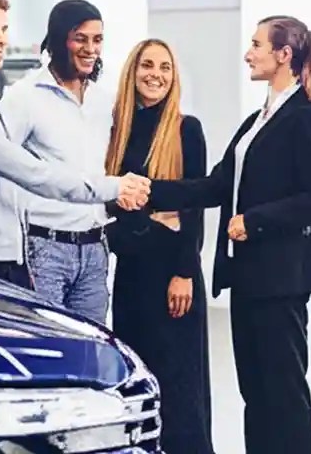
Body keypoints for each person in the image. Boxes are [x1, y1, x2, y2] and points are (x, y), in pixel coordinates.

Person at [146, 15, 311, 454]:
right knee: (256, 393)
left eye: (256, 45)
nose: (248, 53)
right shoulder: (258, 119)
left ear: (284, 55)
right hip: (249, 277)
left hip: (282, 280)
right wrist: (147, 190)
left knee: (283, 394)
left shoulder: (307, 117)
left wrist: (254, 220)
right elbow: (216, 185)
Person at [0, 0, 150, 288]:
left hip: (8, 254)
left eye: (3, 29)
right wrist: (115, 187)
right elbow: (30, 172)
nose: (2, 38)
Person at [104, 39, 214, 454]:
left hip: (174, 274)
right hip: (132, 274)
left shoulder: (187, 129)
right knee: (137, 377)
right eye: (147, 65)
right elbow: (110, 203)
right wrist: (145, 217)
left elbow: (194, 205)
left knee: (180, 386)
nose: (156, 74)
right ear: (132, 73)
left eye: (165, 67)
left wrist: (185, 271)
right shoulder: (117, 129)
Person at [1, 0, 115, 324]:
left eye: (97, 39)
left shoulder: (104, 101)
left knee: (92, 352)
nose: (90, 48)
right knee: (49, 350)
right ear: (59, 38)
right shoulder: (24, 97)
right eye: (80, 38)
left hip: (95, 249)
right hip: (44, 249)